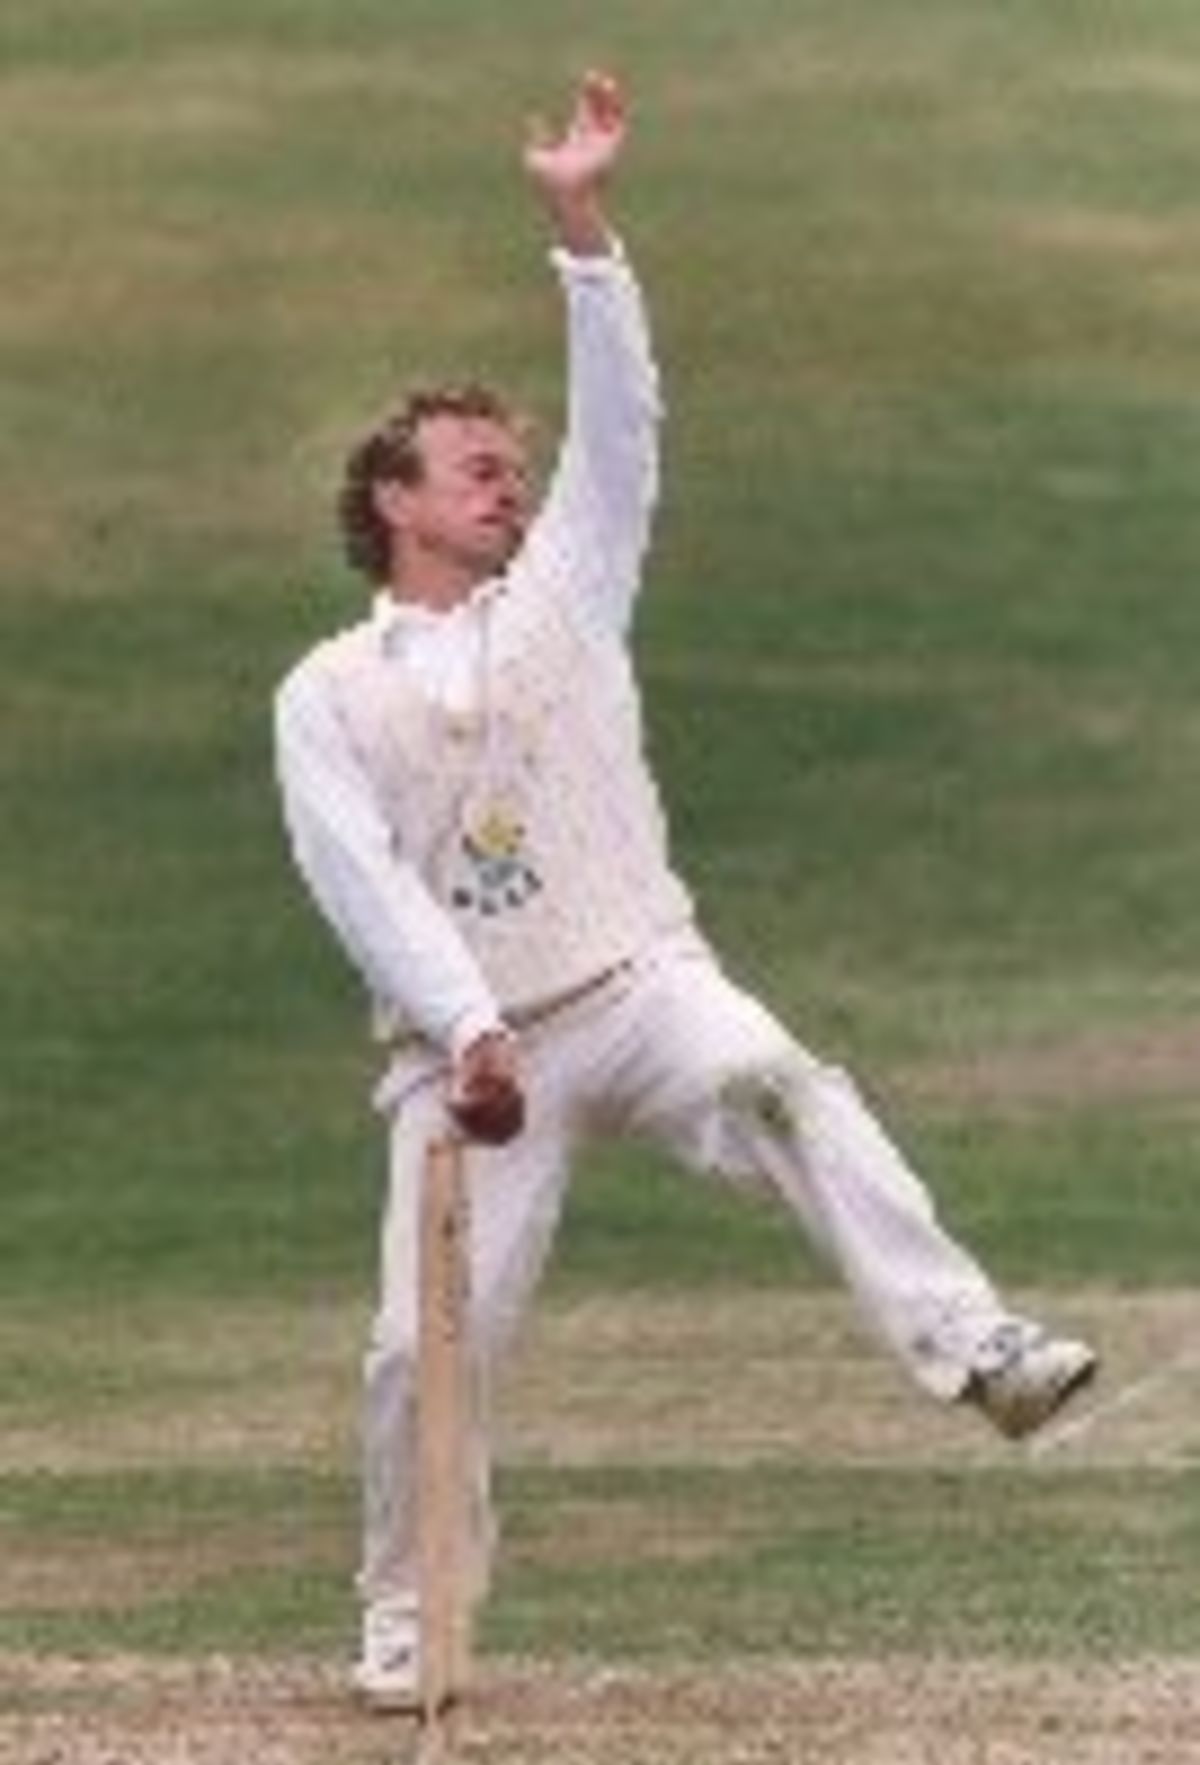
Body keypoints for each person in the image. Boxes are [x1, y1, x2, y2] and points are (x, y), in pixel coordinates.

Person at [273, 71, 1097, 1710]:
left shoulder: (569, 592)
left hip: (640, 980)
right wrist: (469, 1025)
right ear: (394, 501)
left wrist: (583, 233)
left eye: (515, 465)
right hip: (469, 1055)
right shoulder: (326, 690)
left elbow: (627, 427)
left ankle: (977, 1345)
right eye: (473, 468)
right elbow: (360, 882)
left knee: (785, 1084)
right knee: (419, 1352)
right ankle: (406, 1612)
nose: (508, 485)